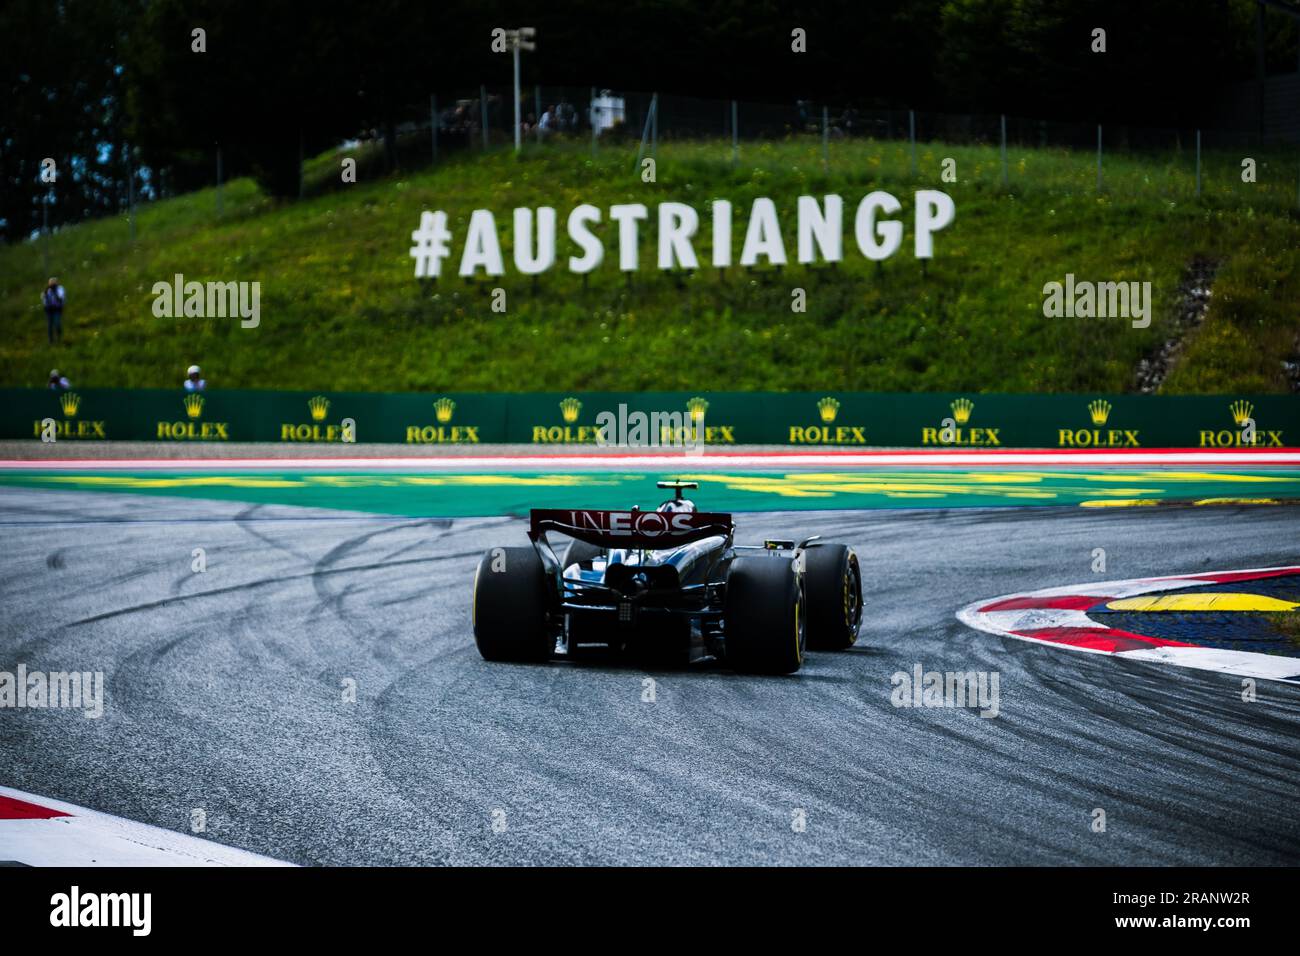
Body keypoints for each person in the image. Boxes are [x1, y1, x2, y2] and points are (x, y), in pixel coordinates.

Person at [42, 278, 65, 344]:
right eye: (51, 284)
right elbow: (44, 299)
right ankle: (51, 340)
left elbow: (61, 299)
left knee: (57, 323)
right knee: (50, 325)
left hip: (57, 309)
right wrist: (47, 292)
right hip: (49, 310)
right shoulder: (47, 290)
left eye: (54, 283)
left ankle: (59, 338)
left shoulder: (60, 289)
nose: (53, 285)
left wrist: (54, 292)